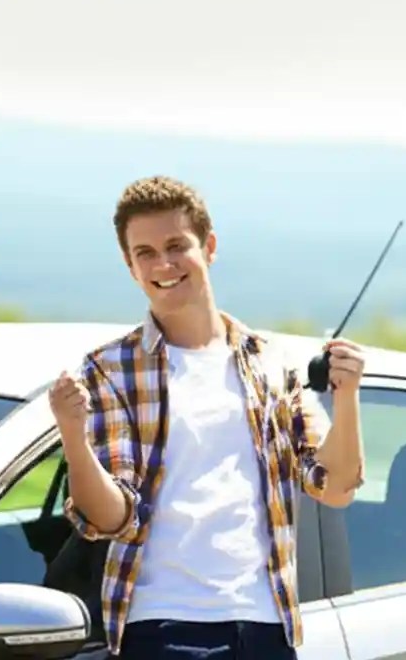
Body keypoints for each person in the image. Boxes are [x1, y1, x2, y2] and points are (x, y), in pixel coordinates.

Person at [49, 176, 366, 659]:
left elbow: (336, 486)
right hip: (162, 629)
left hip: (265, 627)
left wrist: (347, 397)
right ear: (130, 266)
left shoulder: (269, 363)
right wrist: (73, 436)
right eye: (146, 253)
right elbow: (113, 518)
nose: (163, 265)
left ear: (210, 246)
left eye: (177, 246)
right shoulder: (110, 370)